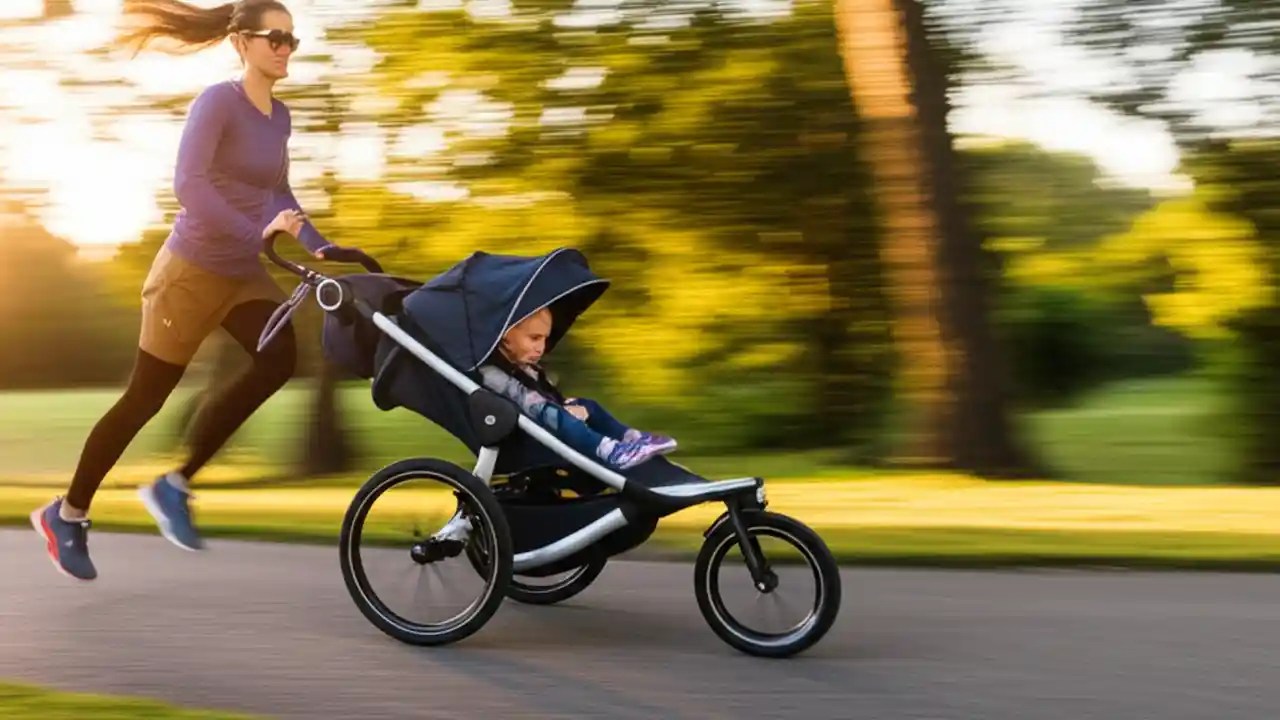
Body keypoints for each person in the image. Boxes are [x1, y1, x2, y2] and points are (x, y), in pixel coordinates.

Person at [31, 0, 370, 581]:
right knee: (145, 398)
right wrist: (255, 234)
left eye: (291, 39)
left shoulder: (279, 116)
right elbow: (189, 184)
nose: (285, 48)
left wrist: (317, 244)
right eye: (274, 37)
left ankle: (174, 484)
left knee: (279, 359)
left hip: (241, 273)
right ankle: (67, 514)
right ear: (242, 43)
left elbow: (279, 191)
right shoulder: (218, 102)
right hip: (188, 273)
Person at [479, 307, 677, 470]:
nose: (541, 348)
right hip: (525, 438)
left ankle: (631, 439)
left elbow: (543, 392)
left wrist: (563, 404)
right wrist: (560, 410)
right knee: (558, 415)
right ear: (506, 336)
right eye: (534, 338)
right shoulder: (492, 374)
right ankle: (610, 451)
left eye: (545, 339)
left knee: (587, 405)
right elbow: (525, 401)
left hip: (540, 421)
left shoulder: (522, 366)